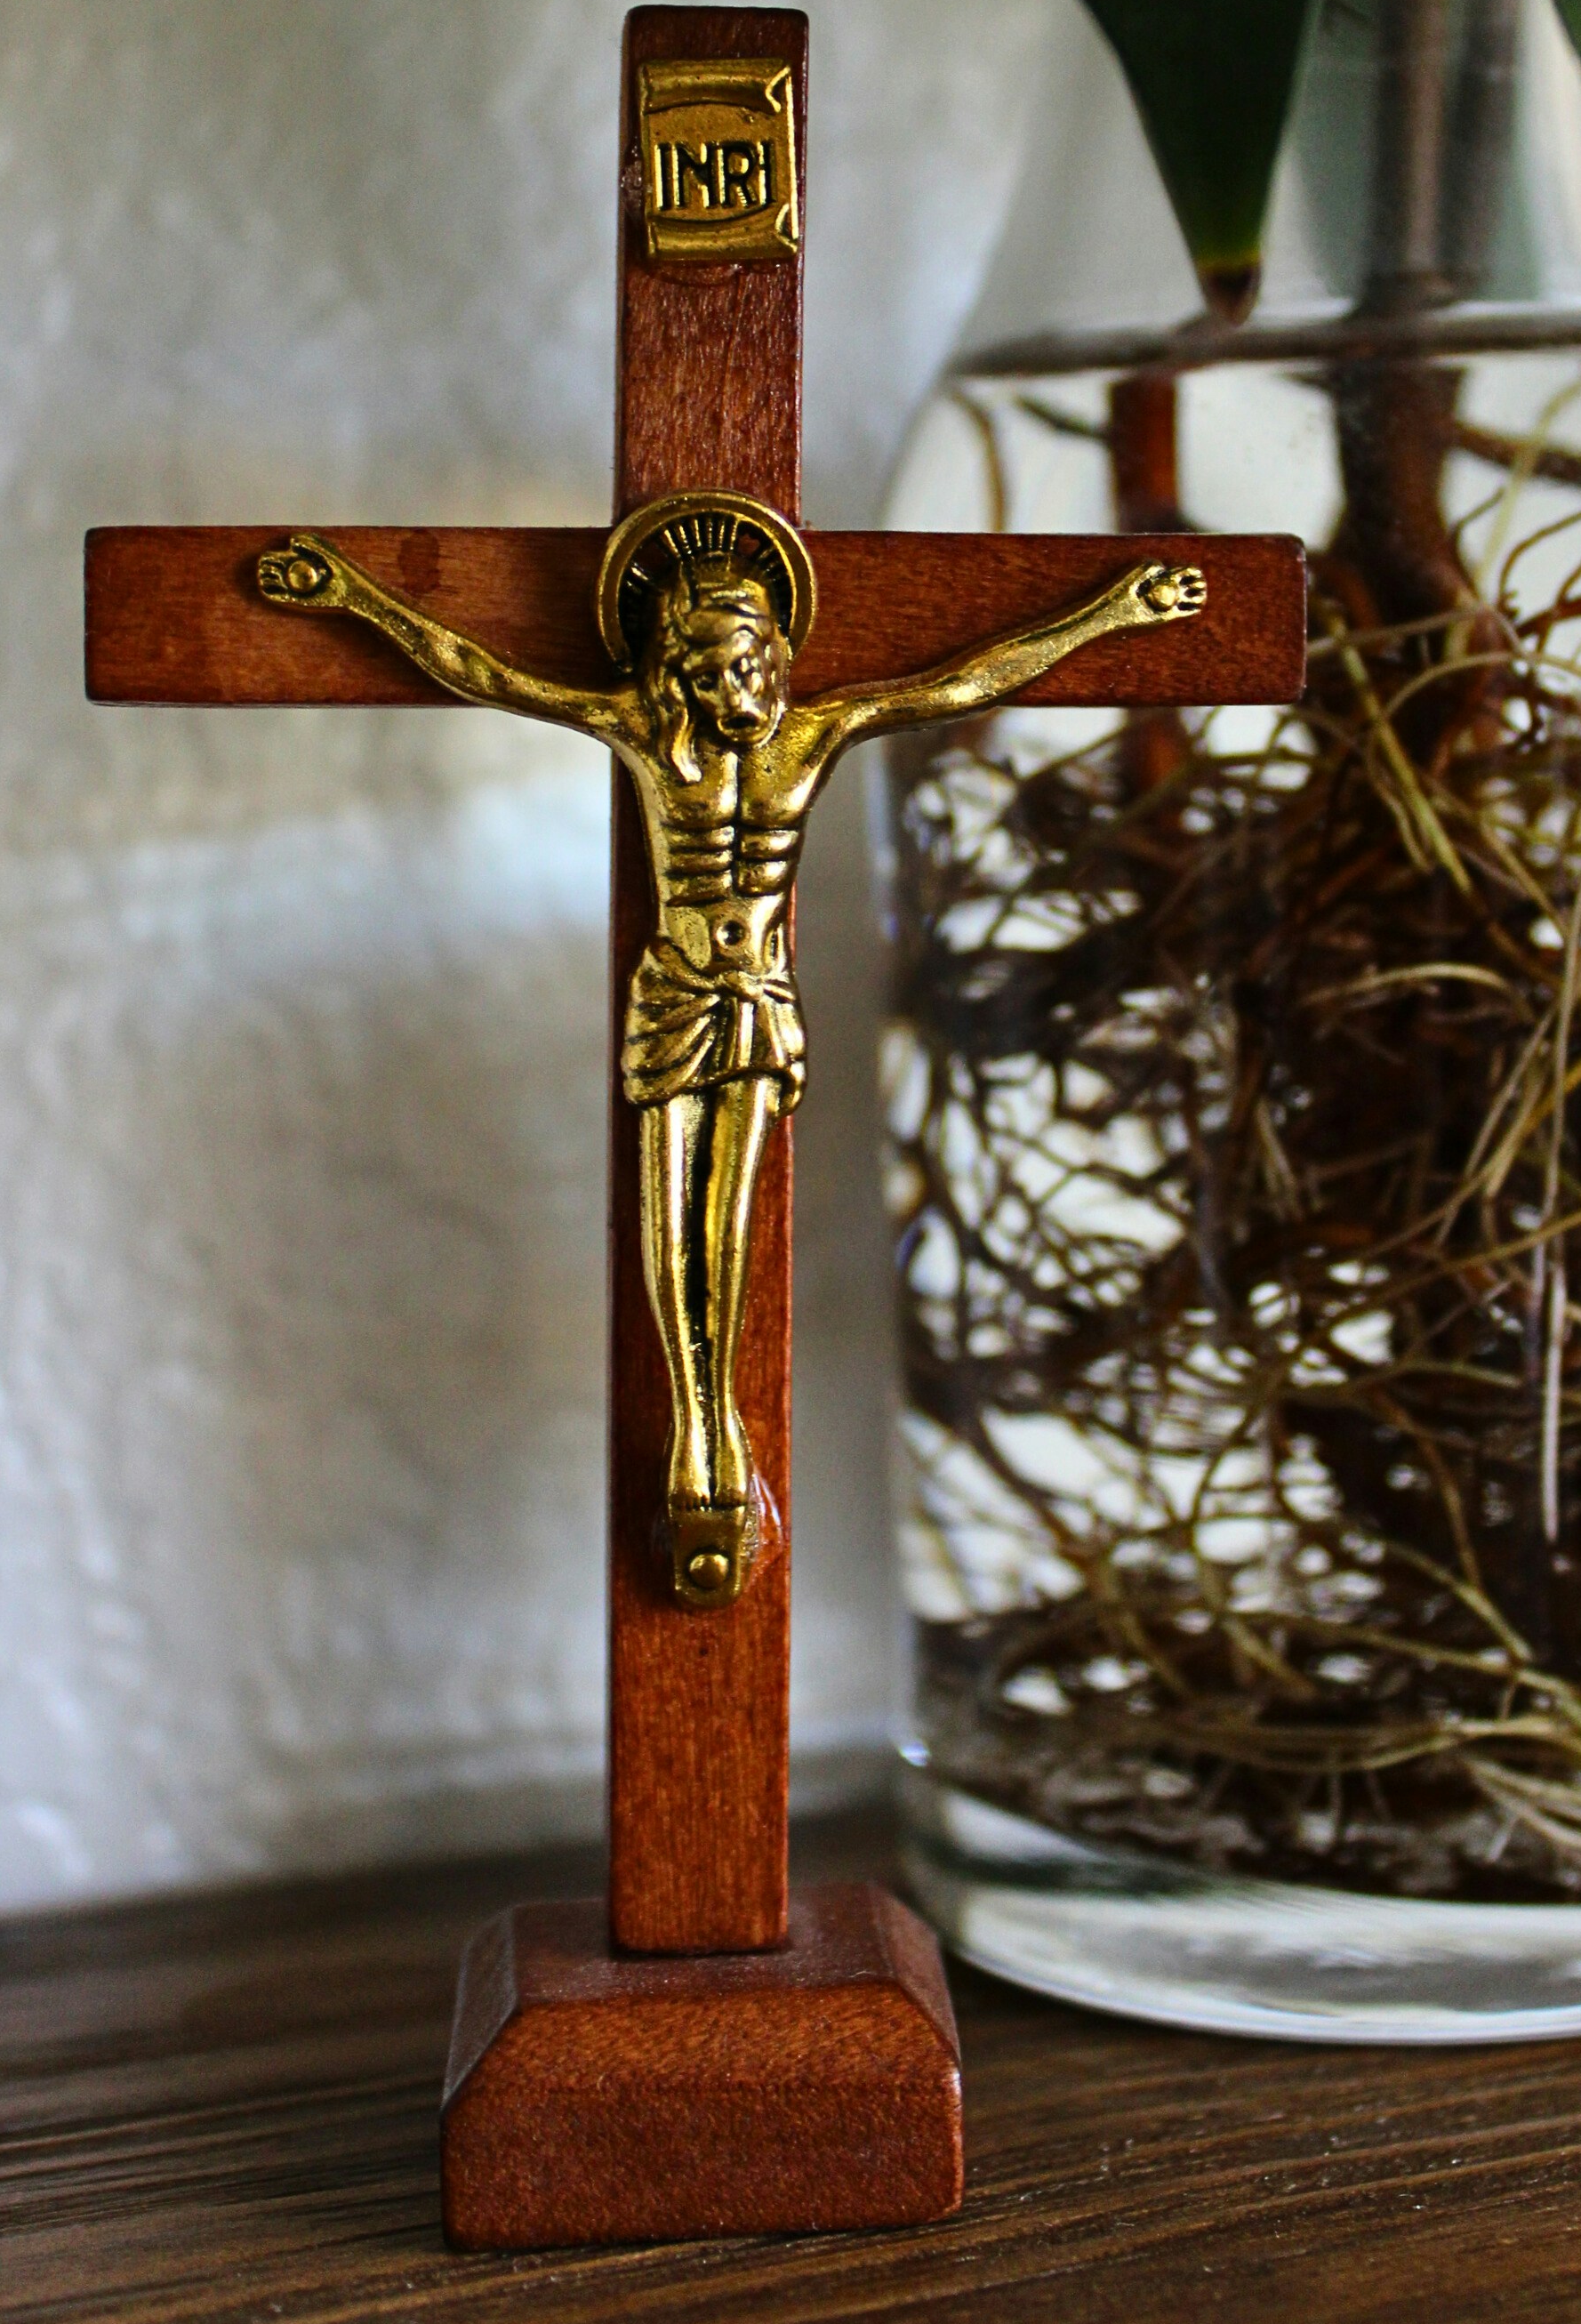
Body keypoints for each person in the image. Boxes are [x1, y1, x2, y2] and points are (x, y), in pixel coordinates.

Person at [258, 501, 1205, 1607]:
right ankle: (701, 1422)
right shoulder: (638, 736)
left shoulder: (811, 733)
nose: (741, 692)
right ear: (673, 672)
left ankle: (715, 1430)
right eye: (714, 673)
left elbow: (964, 682)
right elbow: (479, 668)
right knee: (669, 1224)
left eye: (755, 665)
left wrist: (1111, 612)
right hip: (675, 997)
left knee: (730, 1218)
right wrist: (352, 596)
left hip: (757, 995)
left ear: (776, 656)